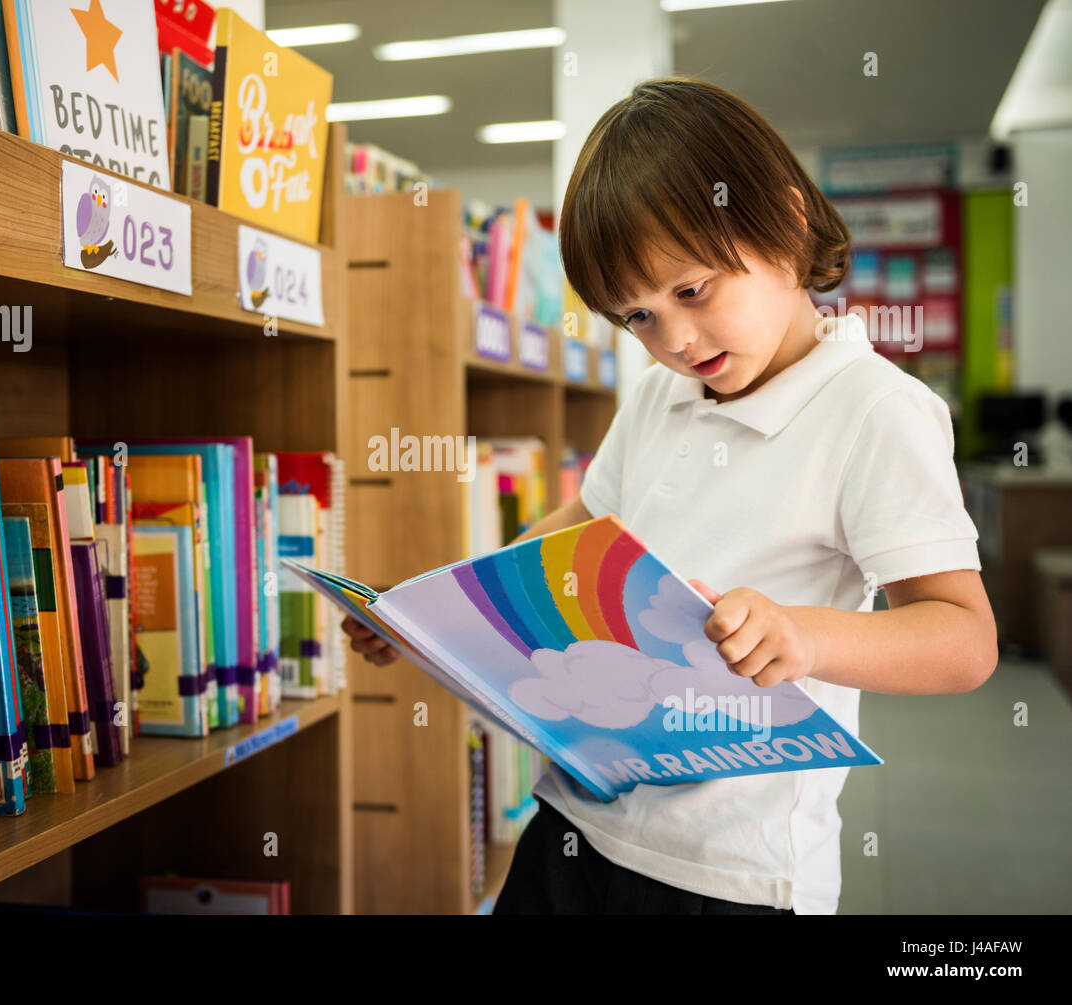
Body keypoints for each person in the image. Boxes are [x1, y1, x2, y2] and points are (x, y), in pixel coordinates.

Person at [342, 77, 997, 915]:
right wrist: (438, 609)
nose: (676, 341)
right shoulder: (662, 396)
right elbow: (578, 531)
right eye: (638, 318)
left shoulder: (876, 410)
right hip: (577, 813)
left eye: (691, 292)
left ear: (788, 225)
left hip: (729, 870)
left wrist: (801, 634)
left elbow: (964, 639)